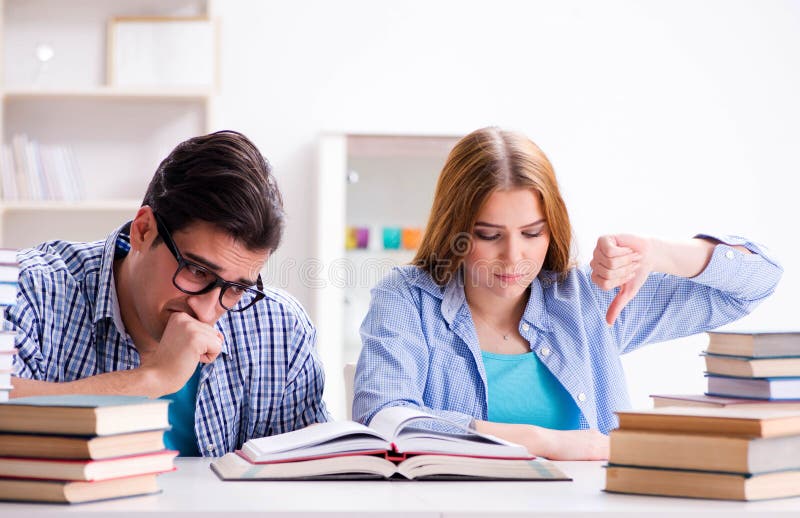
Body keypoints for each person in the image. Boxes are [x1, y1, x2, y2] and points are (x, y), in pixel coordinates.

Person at [353, 126, 782, 460]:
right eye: (489, 235)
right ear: (456, 232)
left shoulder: (588, 300)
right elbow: (385, 417)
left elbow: (757, 282)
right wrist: (542, 442)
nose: (513, 256)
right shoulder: (408, 299)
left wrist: (658, 253)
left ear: (551, 228)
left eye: (531, 233)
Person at [6, 130, 328, 456]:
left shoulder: (280, 328)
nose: (206, 312)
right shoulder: (30, 288)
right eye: (197, 271)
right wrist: (151, 380)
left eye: (235, 288)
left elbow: (312, 472)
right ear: (143, 230)